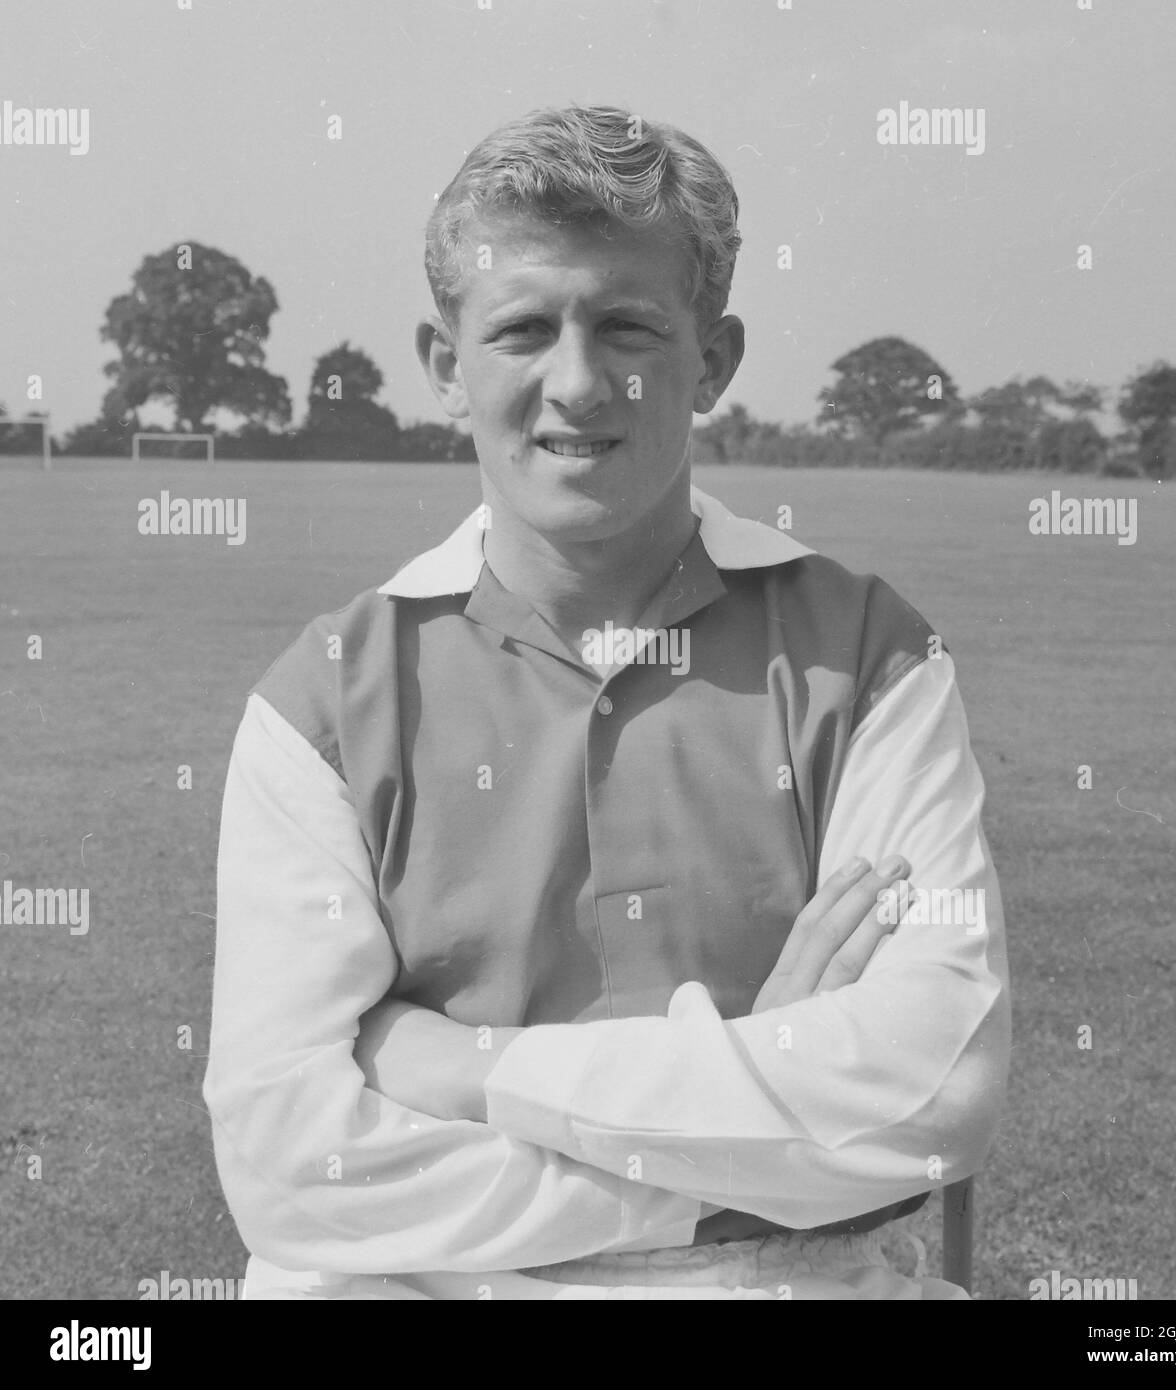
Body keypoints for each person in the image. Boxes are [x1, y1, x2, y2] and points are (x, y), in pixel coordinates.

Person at [203, 104, 1010, 1300]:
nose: (576, 383)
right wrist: (733, 1127)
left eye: (627, 325)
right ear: (446, 368)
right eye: (524, 329)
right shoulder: (321, 704)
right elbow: (290, 1167)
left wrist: (468, 1068)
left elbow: (937, 1095)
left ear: (713, 361)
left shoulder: (870, 658)